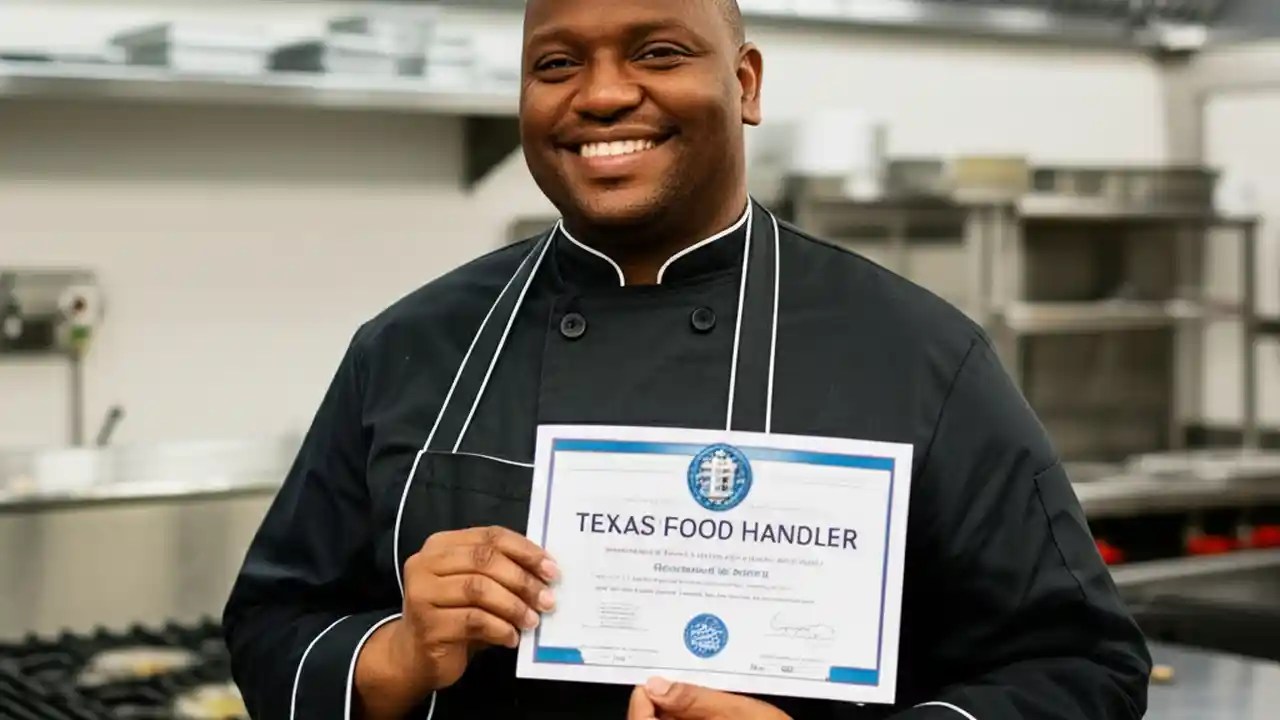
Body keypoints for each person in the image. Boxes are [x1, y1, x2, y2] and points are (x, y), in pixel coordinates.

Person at [222, 0, 1152, 717]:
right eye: (556, 63)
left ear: (745, 83)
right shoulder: (409, 347)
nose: (600, 93)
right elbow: (271, 626)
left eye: (657, 51)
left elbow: (1084, 670)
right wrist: (394, 656)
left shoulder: (921, 357)